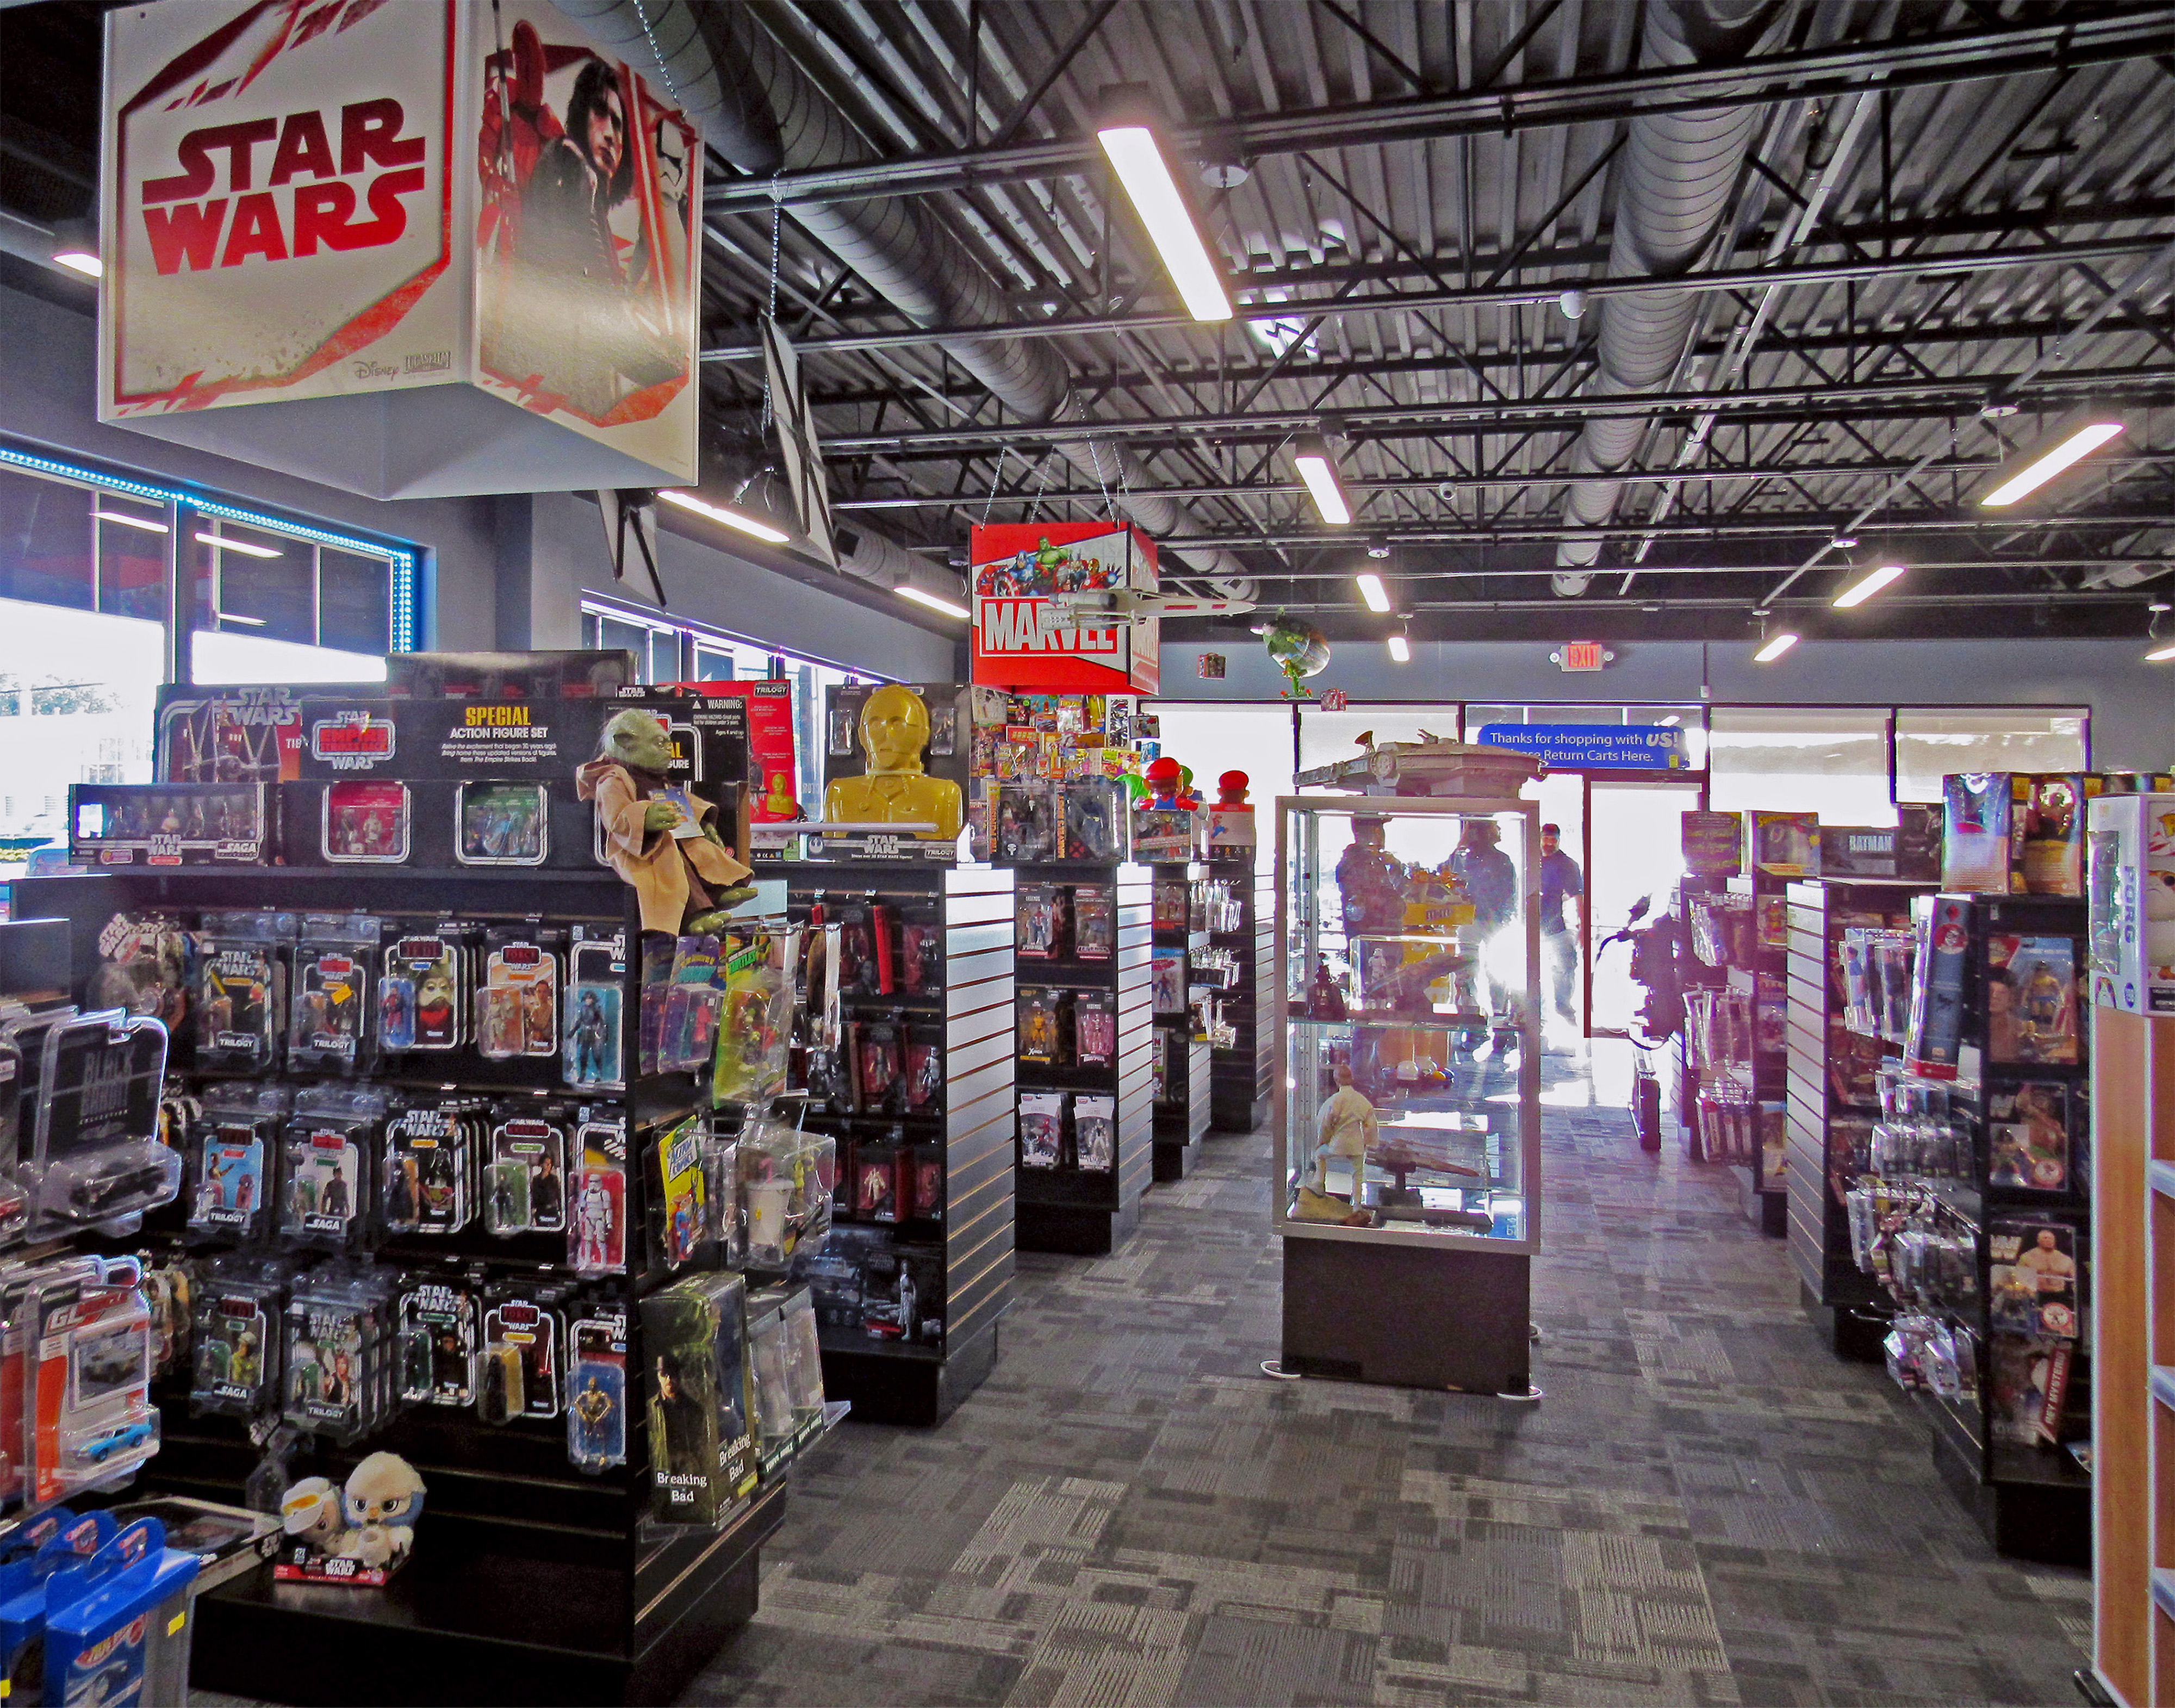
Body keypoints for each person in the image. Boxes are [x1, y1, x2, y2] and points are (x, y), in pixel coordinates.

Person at [1538, 823, 1584, 1027]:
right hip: (1531, 926)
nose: (1549, 843)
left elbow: (1579, 897)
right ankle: (1534, 1013)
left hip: (1559, 927)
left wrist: (1583, 927)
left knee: (1564, 969)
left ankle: (1563, 1006)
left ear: (1558, 841)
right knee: (1532, 971)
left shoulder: (1567, 865)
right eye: (1546, 839)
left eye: (1553, 840)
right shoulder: (1532, 860)